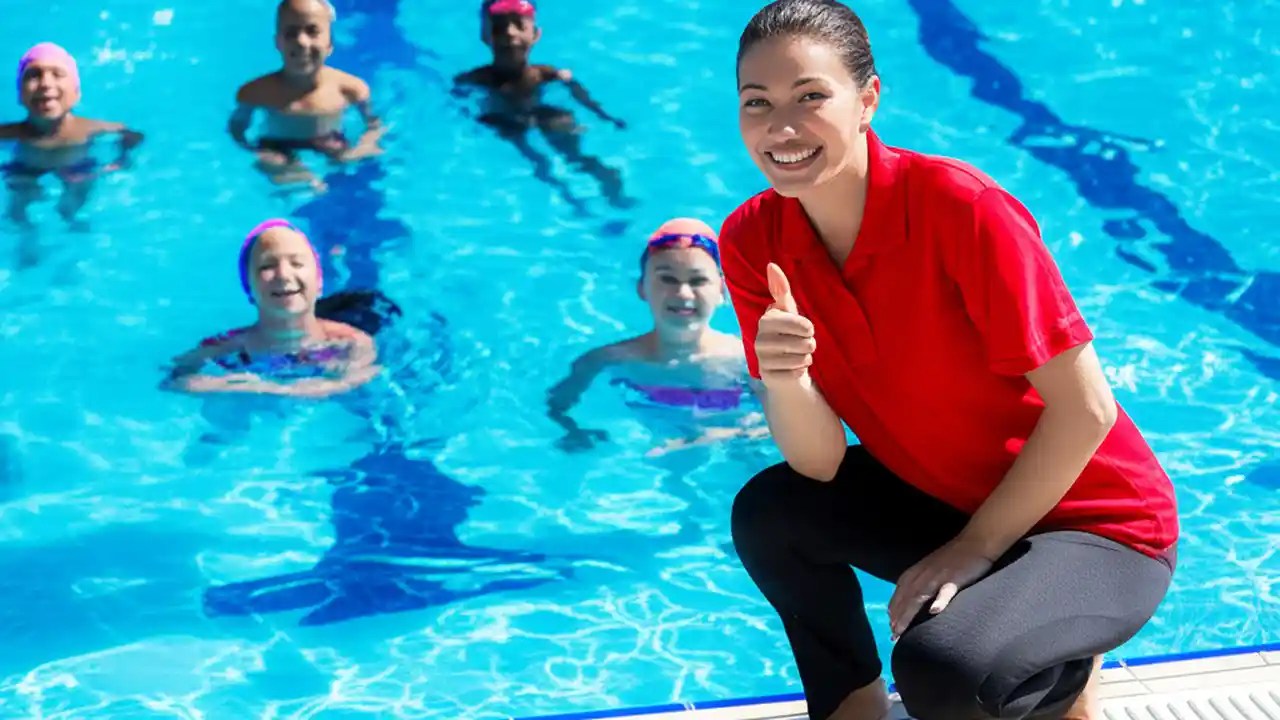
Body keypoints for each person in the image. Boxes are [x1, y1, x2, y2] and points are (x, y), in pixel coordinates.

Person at [719, 2, 1179, 720]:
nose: (782, 128)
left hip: (1092, 523)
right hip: (949, 500)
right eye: (758, 103)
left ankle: (1058, 669)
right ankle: (852, 712)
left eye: (811, 97)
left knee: (946, 666)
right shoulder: (752, 238)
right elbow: (818, 466)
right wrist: (787, 379)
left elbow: (1087, 409)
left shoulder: (959, 209)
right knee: (771, 514)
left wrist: (974, 548)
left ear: (868, 98)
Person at [547, 218, 765, 453]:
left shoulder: (749, 360)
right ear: (642, 288)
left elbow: (791, 424)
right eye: (667, 279)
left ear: (722, 291)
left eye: (698, 280)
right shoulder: (605, 360)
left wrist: (704, 439)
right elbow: (556, 409)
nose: (683, 293)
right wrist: (575, 432)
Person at [162, 219, 380, 398]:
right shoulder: (226, 347)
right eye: (267, 266)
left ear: (319, 282)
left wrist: (262, 386)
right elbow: (175, 381)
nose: (284, 275)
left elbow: (360, 377)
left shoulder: (349, 342)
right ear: (249, 288)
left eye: (297, 264)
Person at [452, 0, 632, 211]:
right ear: (485, 36)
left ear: (536, 35)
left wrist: (604, 115)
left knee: (562, 129)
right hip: (508, 120)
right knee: (537, 160)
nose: (510, 33)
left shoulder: (543, 72)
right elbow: (461, 101)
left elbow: (578, 93)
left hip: (538, 113)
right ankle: (570, 198)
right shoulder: (477, 78)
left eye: (519, 26)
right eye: (500, 27)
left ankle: (605, 179)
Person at [228, 0, 385, 192]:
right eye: (291, 33)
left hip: (329, 140)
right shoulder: (255, 93)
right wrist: (254, 150)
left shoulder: (351, 89)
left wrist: (364, 145)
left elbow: (374, 125)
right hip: (277, 145)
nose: (301, 42)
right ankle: (304, 181)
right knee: (270, 164)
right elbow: (237, 128)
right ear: (278, 43)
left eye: (312, 31)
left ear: (330, 44)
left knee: (357, 166)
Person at [1, 42, 143, 231]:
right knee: (18, 210)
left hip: (76, 167)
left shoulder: (90, 129)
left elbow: (133, 136)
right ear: (20, 94)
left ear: (76, 93)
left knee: (73, 205)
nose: (45, 83)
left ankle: (74, 225)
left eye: (57, 74)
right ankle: (28, 243)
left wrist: (120, 160)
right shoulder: (9, 133)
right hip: (25, 169)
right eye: (34, 75)